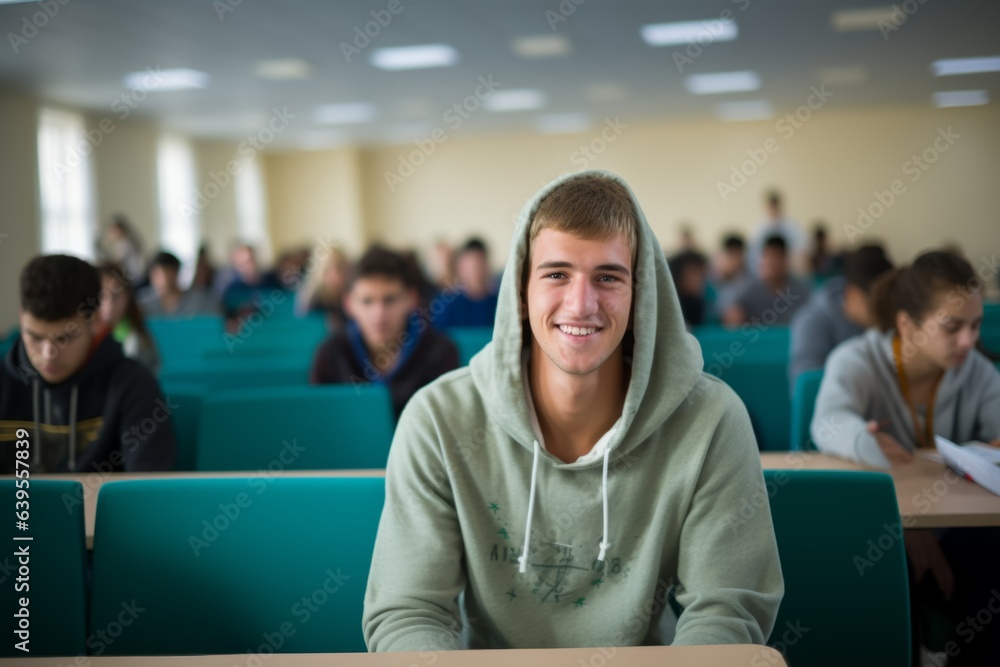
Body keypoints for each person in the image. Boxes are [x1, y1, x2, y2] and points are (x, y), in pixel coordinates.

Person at [363, 171, 783, 650]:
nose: (581, 304)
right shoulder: (437, 420)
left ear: (640, 296)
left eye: (607, 277)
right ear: (520, 292)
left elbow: (726, 611)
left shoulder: (711, 420)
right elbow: (409, 612)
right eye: (557, 274)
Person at [810, 250, 1000, 665]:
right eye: (953, 327)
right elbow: (826, 425)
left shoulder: (975, 370)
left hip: (957, 533)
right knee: (887, 579)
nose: (968, 341)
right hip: (882, 534)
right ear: (906, 325)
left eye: (975, 326)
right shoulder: (856, 360)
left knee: (986, 570)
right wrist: (861, 439)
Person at [0, 255, 176, 473]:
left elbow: (145, 497)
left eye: (64, 338)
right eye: (35, 337)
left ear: (96, 321)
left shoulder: (134, 386)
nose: (48, 354)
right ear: (21, 317)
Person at [310, 246, 459, 419]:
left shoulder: (441, 352)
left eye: (390, 300)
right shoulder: (329, 355)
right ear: (349, 304)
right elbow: (320, 423)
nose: (379, 314)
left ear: (411, 299)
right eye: (367, 301)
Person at [789, 245, 893, 389]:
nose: (886, 313)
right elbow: (807, 389)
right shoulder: (810, 322)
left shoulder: (887, 321)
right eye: (879, 305)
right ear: (853, 296)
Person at [723, 235, 812, 327]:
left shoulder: (802, 290)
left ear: (785, 259)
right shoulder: (748, 289)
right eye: (766, 256)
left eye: (776, 256)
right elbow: (731, 312)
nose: (770, 262)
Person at [97, 263, 161, 373]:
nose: (109, 304)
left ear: (128, 296)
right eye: (101, 296)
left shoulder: (141, 337)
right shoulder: (84, 339)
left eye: (116, 296)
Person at [435, 238, 500, 328]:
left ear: (486, 265)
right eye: (470, 267)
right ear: (460, 268)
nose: (475, 272)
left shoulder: (499, 303)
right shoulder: (447, 305)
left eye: (478, 265)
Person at [138, 251, 220, 318]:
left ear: (177, 273)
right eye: (158, 275)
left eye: (169, 274)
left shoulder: (199, 301)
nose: (164, 280)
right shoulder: (143, 304)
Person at [747, 191, 806, 274]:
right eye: (771, 206)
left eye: (775, 206)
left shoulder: (792, 227)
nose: (773, 209)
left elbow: (801, 249)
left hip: (789, 269)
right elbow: (754, 255)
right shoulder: (759, 229)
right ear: (767, 207)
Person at [294, 245, 351, 330]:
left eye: (343, 266)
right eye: (337, 268)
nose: (343, 272)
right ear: (323, 271)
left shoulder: (350, 290)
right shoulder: (312, 297)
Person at [710, 233, 751, 317]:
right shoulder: (710, 281)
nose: (734, 260)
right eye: (731, 255)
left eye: (737, 254)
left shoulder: (750, 283)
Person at [668, 250, 709, 329]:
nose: (700, 279)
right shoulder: (667, 306)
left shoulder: (698, 304)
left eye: (701, 274)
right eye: (694, 273)